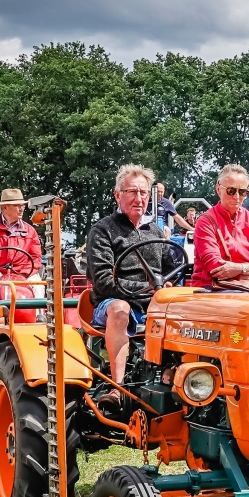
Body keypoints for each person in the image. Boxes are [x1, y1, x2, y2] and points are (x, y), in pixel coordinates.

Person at [86, 164, 170, 396]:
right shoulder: (102, 230)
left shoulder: (155, 231)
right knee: (120, 309)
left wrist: (171, 287)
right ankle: (118, 387)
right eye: (132, 192)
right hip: (111, 303)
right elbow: (103, 281)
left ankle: (176, 380)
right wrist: (148, 288)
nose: (139, 198)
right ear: (118, 195)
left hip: (154, 305)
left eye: (143, 193)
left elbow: (173, 270)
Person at [191, 163, 249, 291]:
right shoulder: (205, 221)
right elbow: (216, 268)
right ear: (218, 189)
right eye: (231, 191)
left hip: (246, 290)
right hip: (210, 291)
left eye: (243, 192)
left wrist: (239, 269)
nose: (237, 197)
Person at [0, 188, 43, 281]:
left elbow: (36, 258)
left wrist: (26, 272)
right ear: (5, 207)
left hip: (24, 273)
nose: (21, 209)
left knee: (38, 286)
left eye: (22, 206)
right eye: (17, 206)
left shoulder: (30, 230)